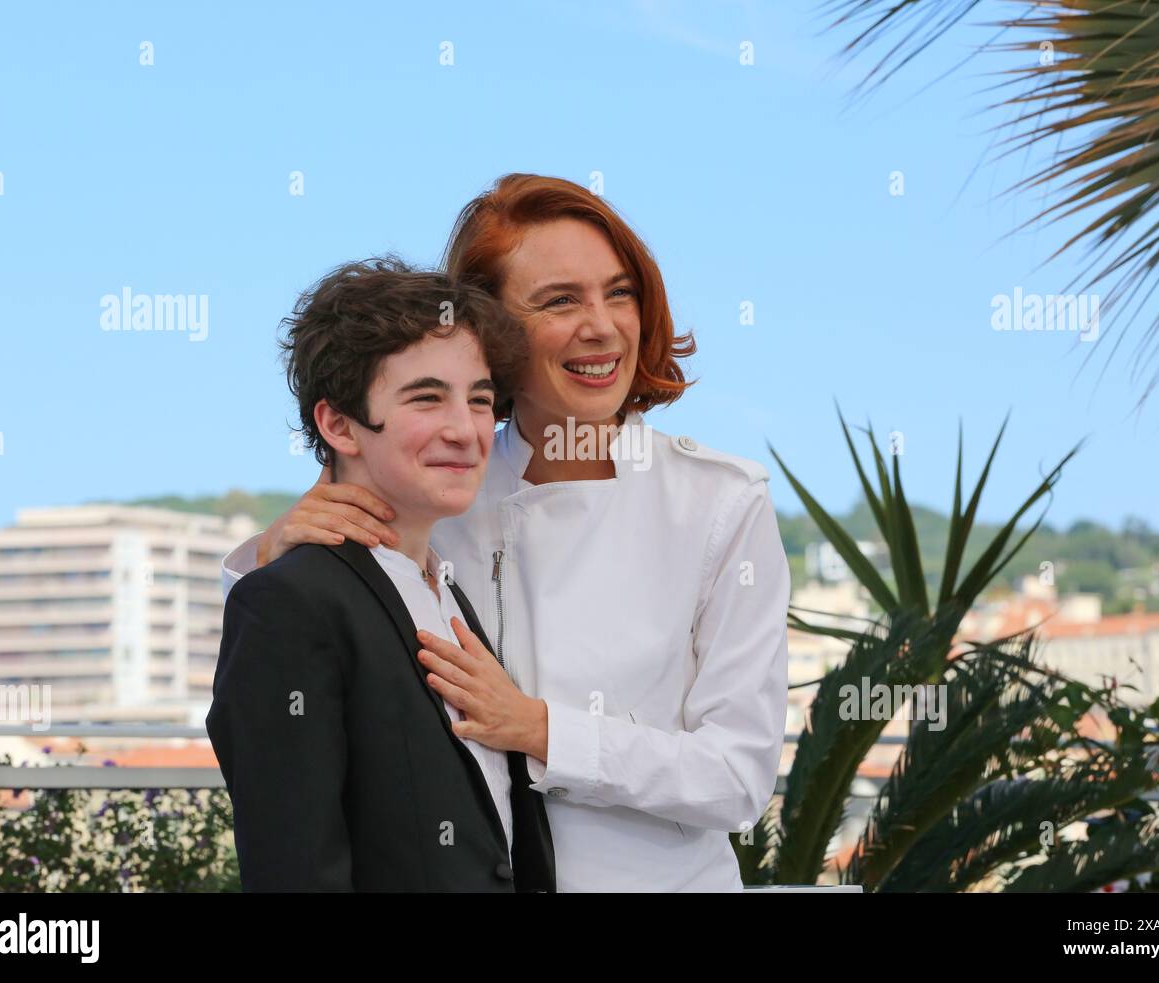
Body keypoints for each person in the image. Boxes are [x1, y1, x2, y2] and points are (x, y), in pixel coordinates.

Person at [223, 174, 790, 891]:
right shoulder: (441, 488)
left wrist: (541, 728)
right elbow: (301, 655)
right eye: (560, 300)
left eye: (620, 293)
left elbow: (737, 777)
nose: (602, 325)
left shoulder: (720, 503)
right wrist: (268, 552)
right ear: (484, 329)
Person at [206, 256, 554, 892]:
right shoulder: (290, 601)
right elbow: (294, 867)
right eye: (427, 397)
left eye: (479, 401)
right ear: (338, 424)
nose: (466, 430)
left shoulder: (449, 593)